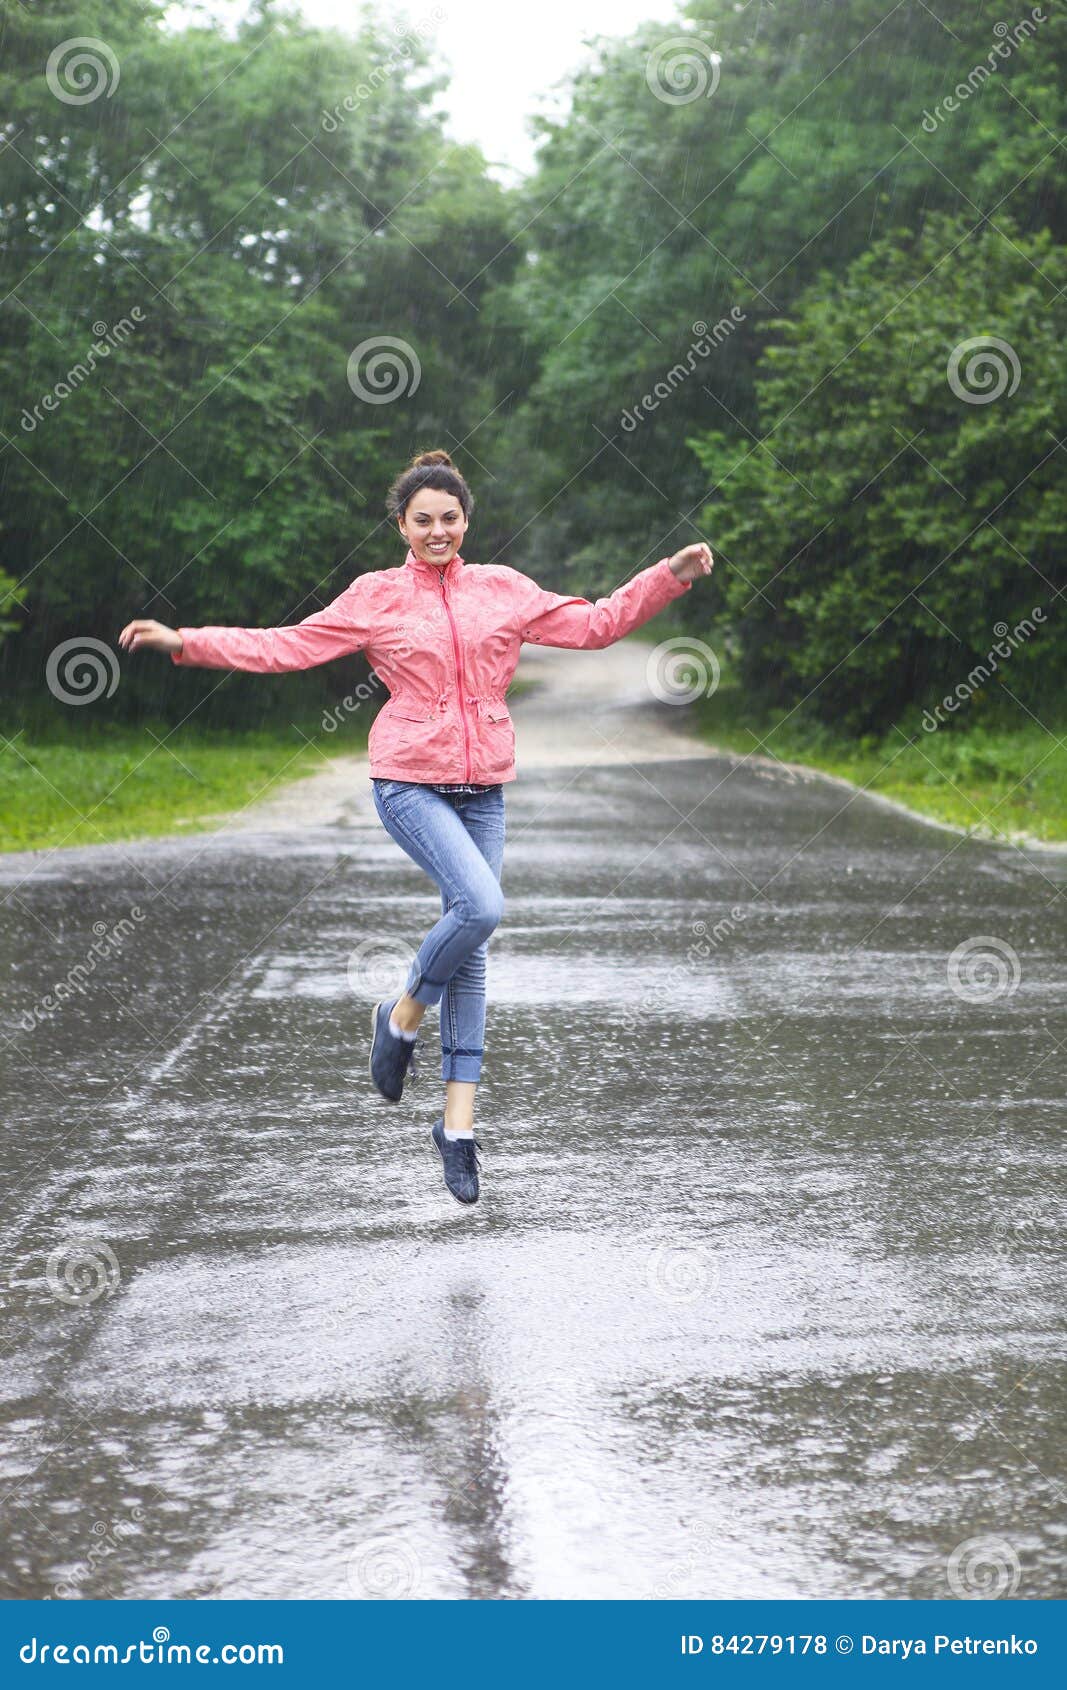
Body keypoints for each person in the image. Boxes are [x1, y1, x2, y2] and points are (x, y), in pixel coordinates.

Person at [118, 449, 713, 1206]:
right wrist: (187, 643)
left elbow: (596, 626)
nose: (438, 531)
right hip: (407, 780)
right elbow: (288, 644)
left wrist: (669, 576)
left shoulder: (503, 590)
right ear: (401, 525)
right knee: (482, 908)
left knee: (470, 950)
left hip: (483, 787)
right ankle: (399, 1018)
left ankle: (457, 1130)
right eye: (423, 520)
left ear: (467, 521)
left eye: (450, 518)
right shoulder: (375, 596)